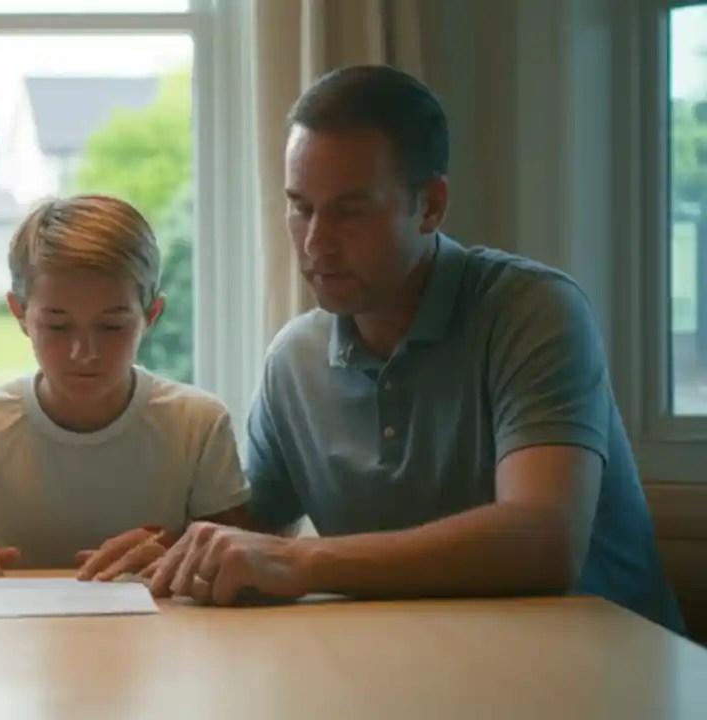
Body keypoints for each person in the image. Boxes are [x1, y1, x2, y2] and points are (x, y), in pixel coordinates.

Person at [149, 65, 686, 633]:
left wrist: (302, 561)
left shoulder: (534, 311)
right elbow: (251, 532)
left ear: (430, 205)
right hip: (411, 666)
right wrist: (177, 549)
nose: (314, 243)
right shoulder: (296, 358)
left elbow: (544, 539)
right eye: (300, 207)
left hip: (600, 672)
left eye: (349, 211)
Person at [0, 195, 250, 581]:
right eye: (57, 326)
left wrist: (180, 555)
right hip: (5, 639)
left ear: (150, 315)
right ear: (20, 314)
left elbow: (244, 567)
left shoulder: (197, 424)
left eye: (111, 326)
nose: (84, 353)